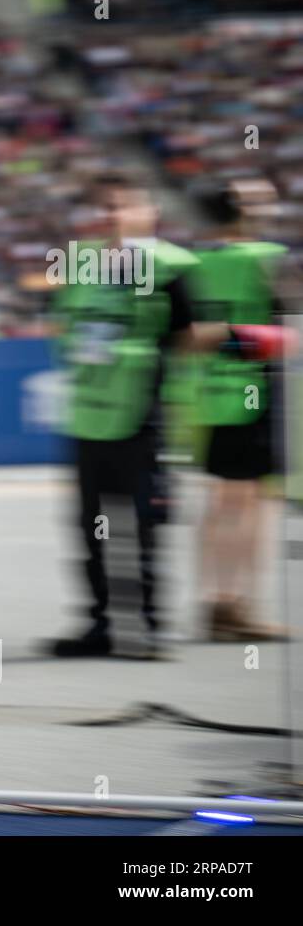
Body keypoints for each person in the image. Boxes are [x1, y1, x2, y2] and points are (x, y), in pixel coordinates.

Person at [49, 173, 293, 658]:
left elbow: (190, 334)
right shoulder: (78, 263)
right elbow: (64, 326)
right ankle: (99, 624)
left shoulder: (170, 264)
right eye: (103, 207)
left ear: (148, 213)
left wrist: (252, 340)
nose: (112, 216)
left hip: (143, 412)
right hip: (87, 413)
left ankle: (148, 627)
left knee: (142, 523)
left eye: (123, 206)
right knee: (88, 526)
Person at [190, 179, 290, 641]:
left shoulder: (198, 261)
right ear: (242, 211)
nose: (268, 209)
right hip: (254, 391)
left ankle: (216, 601)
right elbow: (288, 326)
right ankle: (236, 607)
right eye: (260, 202)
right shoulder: (264, 257)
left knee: (225, 502)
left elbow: (199, 334)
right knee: (250, 504)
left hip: (214, 393)